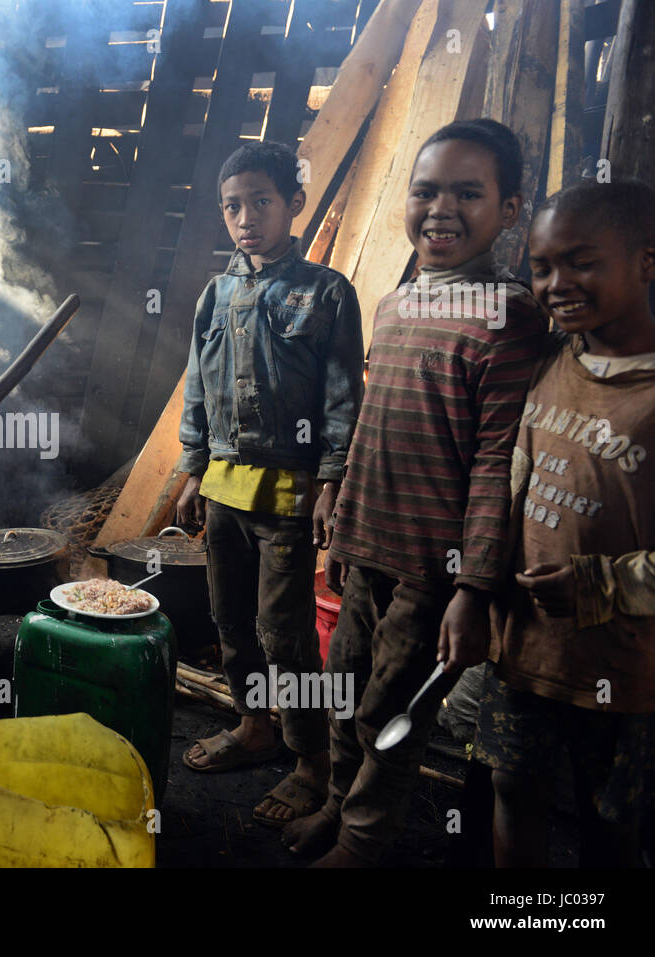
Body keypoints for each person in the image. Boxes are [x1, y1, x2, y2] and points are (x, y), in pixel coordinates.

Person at [283, 119, 549, 865]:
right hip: (369, 545)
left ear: (511, 209)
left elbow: (500, 463)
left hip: (435, 567)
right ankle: (338, 805)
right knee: (342, 692)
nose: (441, 208)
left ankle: (364, 842)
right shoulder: (397, 305)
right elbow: (374, 425)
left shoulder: (510, 315)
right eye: (426, 190)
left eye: (469, 193)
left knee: (388, 710)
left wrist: (473, 585)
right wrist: (341, 515)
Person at [175, 141, 364, 828]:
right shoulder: (216, 293)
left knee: (283, 633)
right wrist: (192, 466)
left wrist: (331, 481)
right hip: (223, 487)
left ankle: (311, 759)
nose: (246, 217)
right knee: (228, 619)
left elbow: (345, 396)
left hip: (287, 491)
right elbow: (197, 383)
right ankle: (255, 724)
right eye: (233, 206)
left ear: (295, 205)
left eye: (261, 201)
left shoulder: (326, 292)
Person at [473, 179, 655, 867]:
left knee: (609, 824)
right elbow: (509, 485)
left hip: (620, 671)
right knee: (513, 792)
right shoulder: (550, 360)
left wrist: (598, 584)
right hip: (523, 650)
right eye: (542, 266)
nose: (556, 283)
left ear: (647, 260)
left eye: (581, 261)